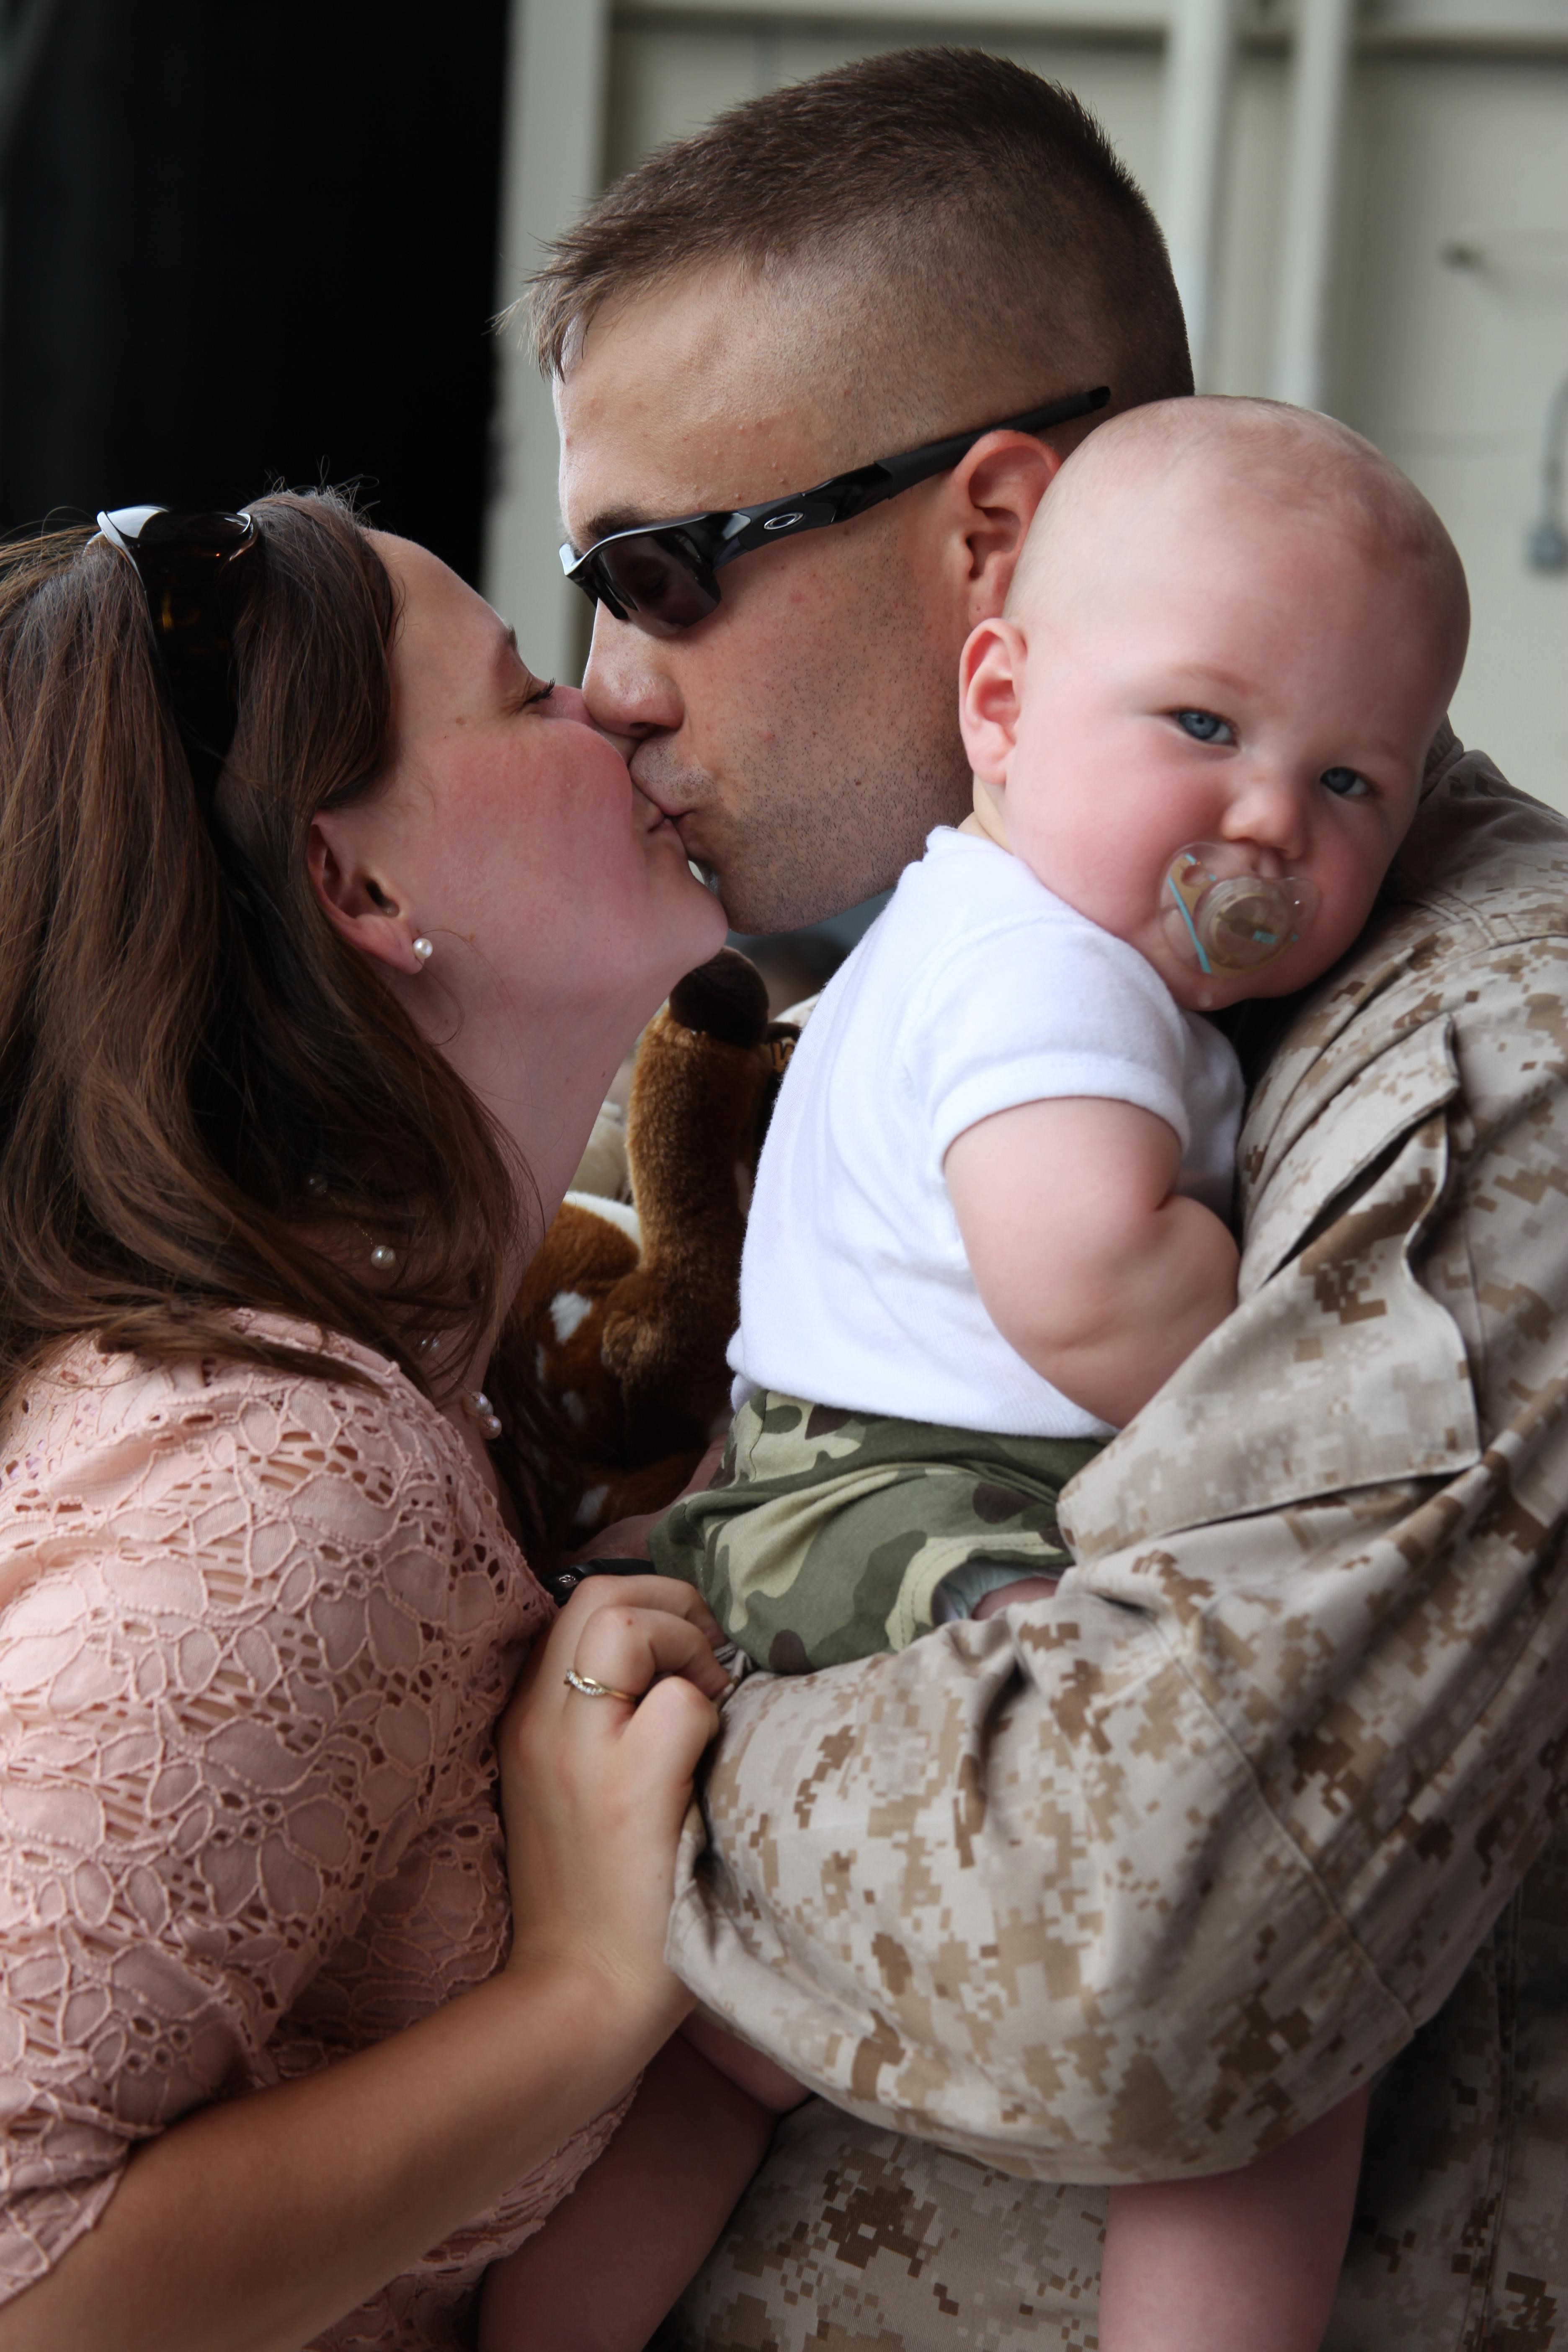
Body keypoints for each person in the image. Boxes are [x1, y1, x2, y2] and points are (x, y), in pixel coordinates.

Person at [531, 45, 1568, 2349]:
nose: (605, 687)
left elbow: (1153, 1955)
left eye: (662, 571)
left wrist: (574, 1777)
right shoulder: (894, 966)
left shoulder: (1499, 1058)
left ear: (995, 538)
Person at [0, 490, 746, 2352]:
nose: (617, 707)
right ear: (364, 892)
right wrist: (579, 1990)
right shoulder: (295, 1476)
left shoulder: (391, 1395)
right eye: (520, 692)